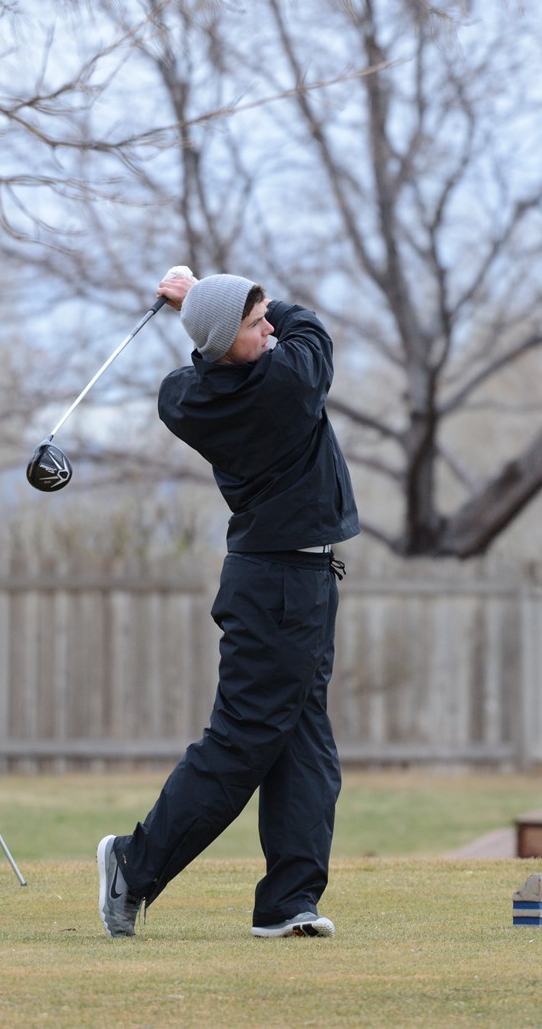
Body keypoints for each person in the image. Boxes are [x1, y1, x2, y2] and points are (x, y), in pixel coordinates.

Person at [97, 269, 359, 939]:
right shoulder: (288, 381)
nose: (269, 328)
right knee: (243, 744)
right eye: (254, 323)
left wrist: (208, 309)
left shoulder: (188, 397)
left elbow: (197, 372)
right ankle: (133, 864)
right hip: (281, 585)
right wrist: (202, 296)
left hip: (285, 578)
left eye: (264, 316)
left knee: (304, 741)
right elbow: (310, 329)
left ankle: (288, 901)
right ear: (223, 341)